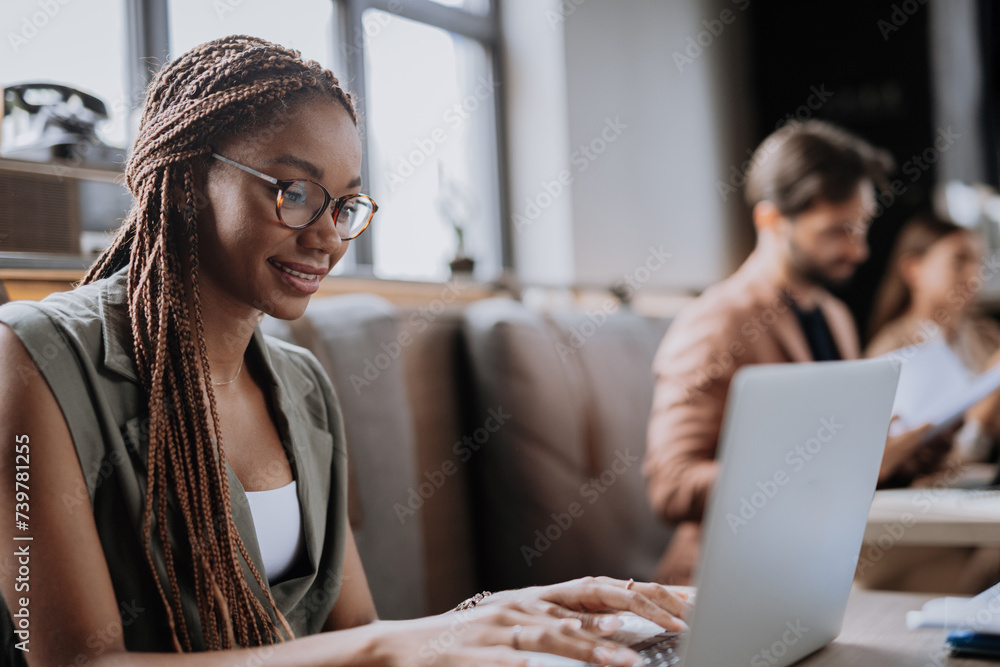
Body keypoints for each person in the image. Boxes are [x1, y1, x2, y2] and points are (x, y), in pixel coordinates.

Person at [0, 36, 688, 667]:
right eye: (293, 191)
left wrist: (505, 618)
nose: (328, 234)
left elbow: (352, 630)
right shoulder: (28, 361)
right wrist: (398, 642)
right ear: (185, 179)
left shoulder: (301, 383)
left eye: (346, 204)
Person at [642, 120, 947, 586]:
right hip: (736, 578)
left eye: (861, 228)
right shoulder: (715, 324)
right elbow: (673, 486)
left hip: (820, 559)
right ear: (770, 220)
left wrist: (903, 453)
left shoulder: (834, 315)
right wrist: (833, 465)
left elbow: (839, 463)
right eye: (837, 231)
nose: (858, 250)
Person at [867, 214, 1000, 464]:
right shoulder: (890, 350)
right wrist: (980, 418)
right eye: (959, 262)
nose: (974, 276)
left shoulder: (988, 336)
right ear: (913, 270)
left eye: (978, 263)